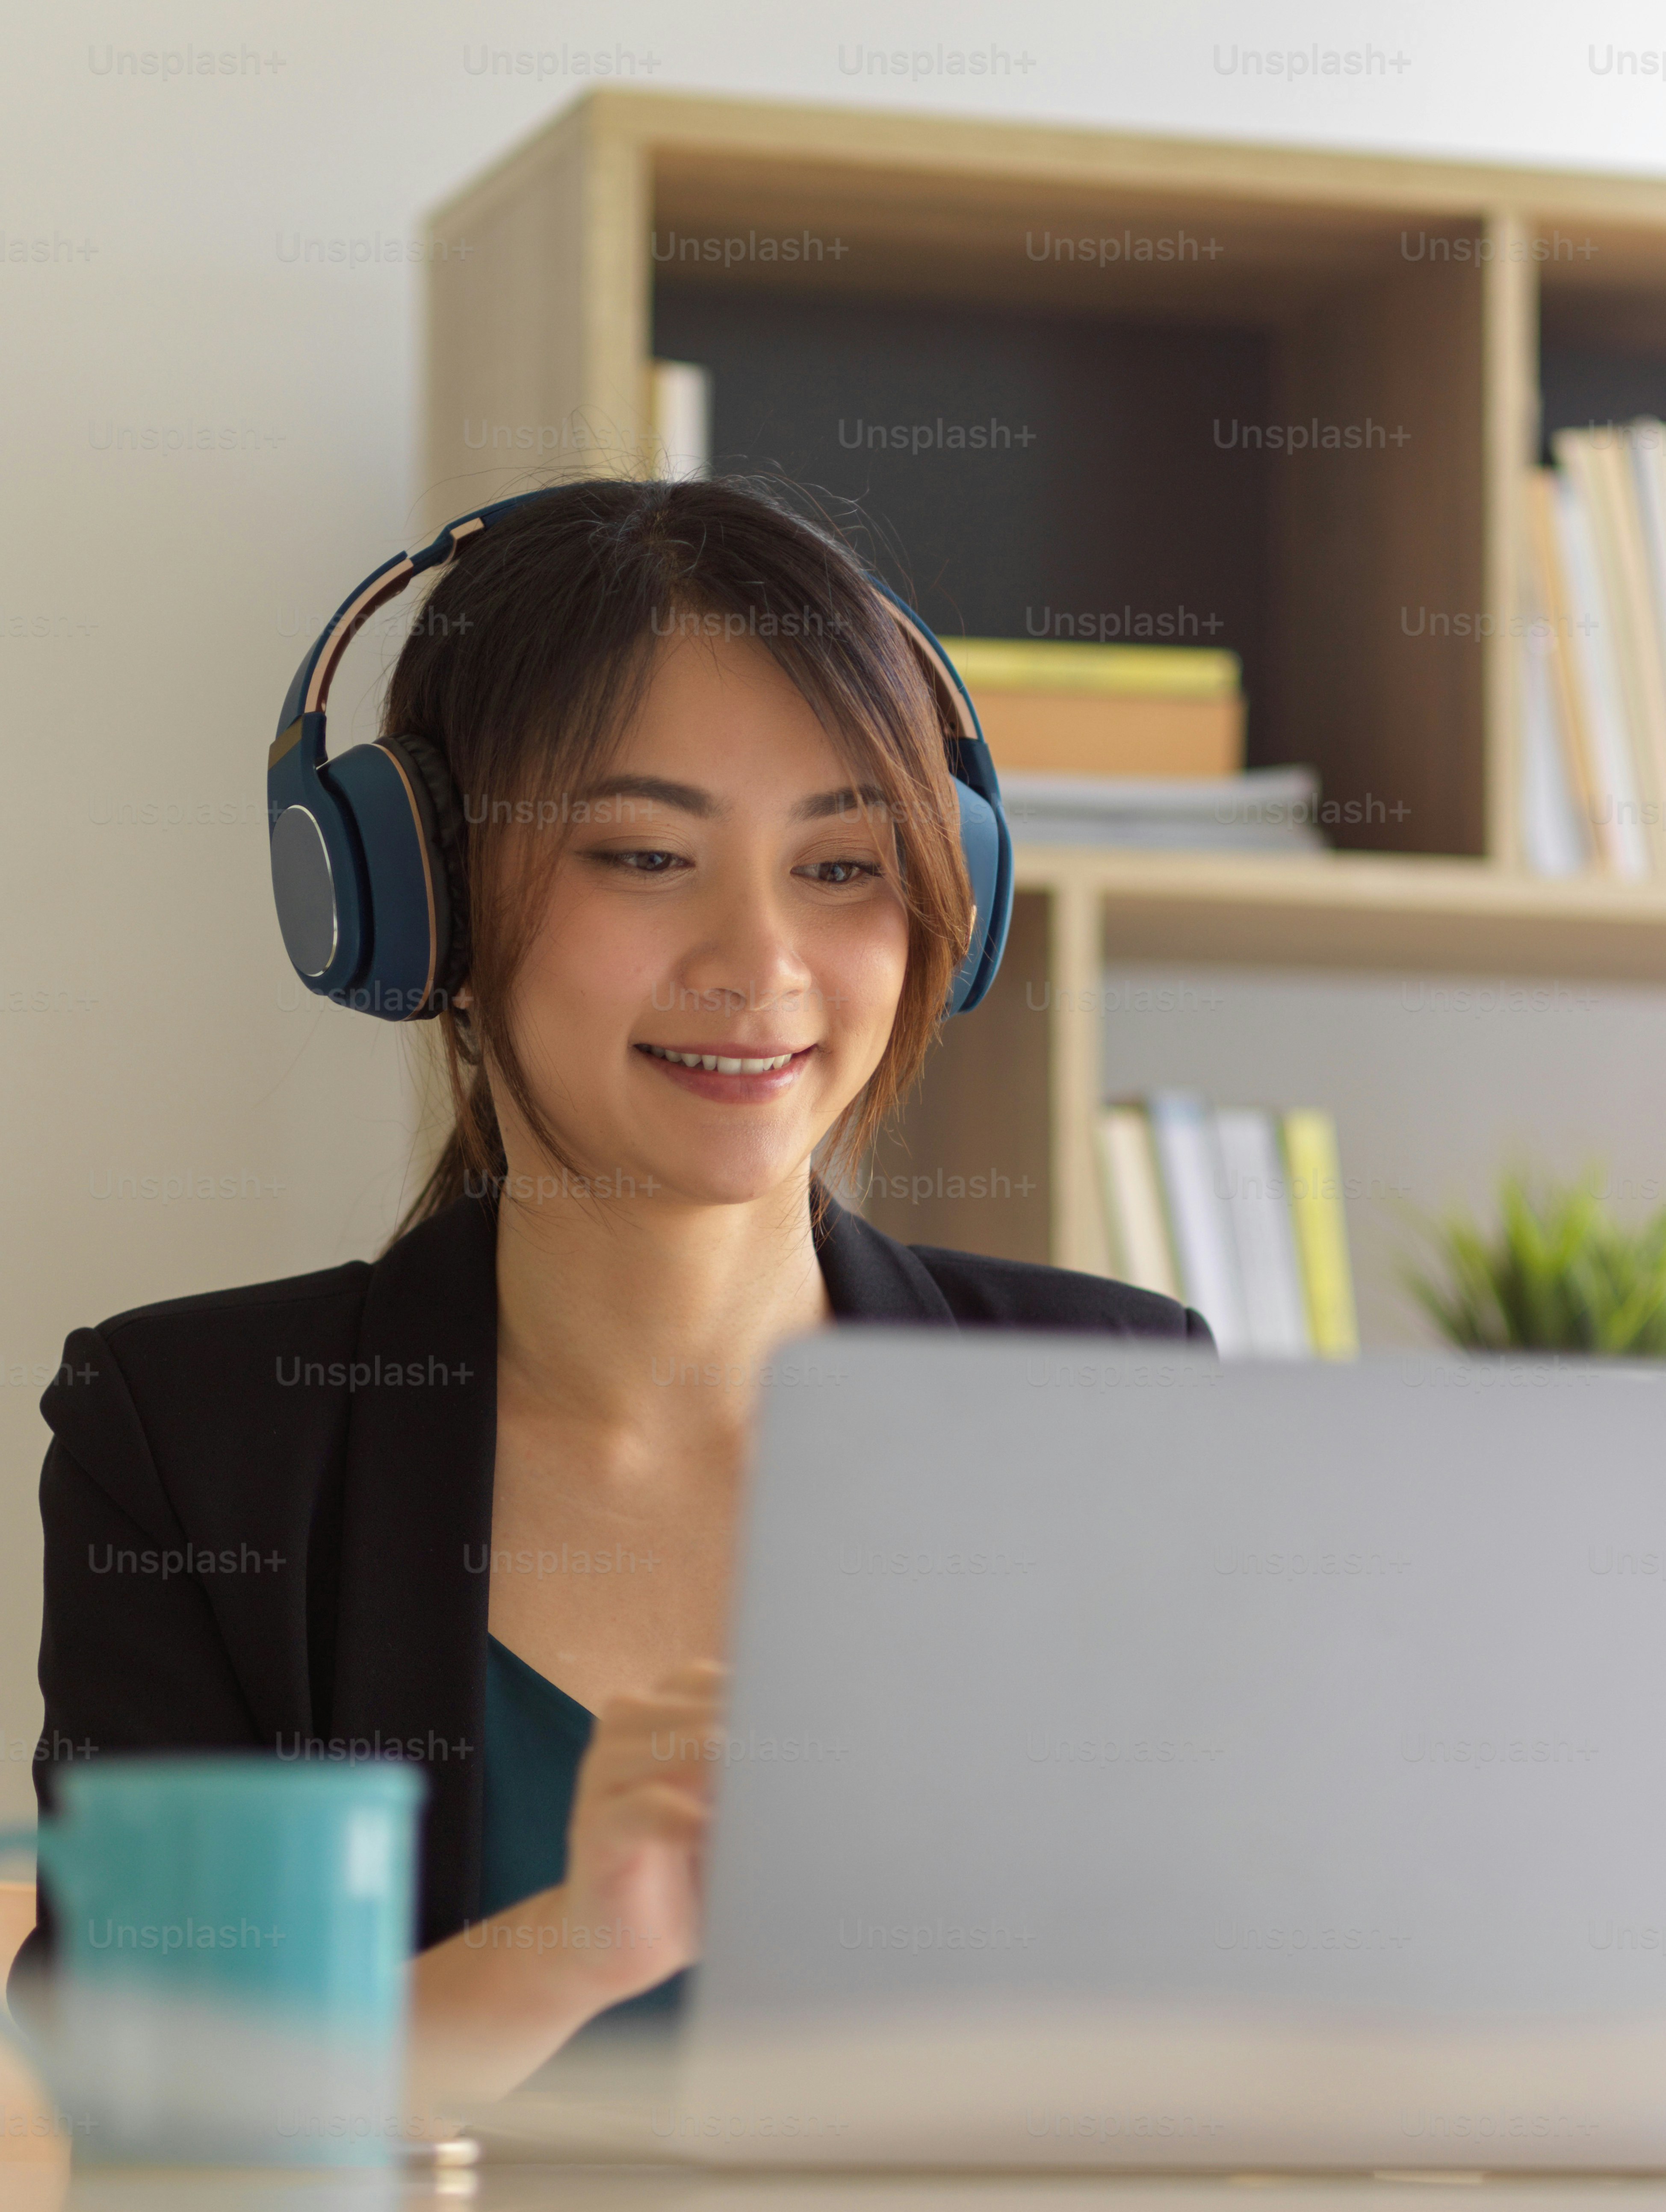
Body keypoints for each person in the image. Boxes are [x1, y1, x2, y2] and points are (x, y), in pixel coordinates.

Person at [14, 478, 1211, 2103]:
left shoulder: (1113, 1404)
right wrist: (573, 1943)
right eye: (646, 855)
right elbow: (132, 2097)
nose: (761, 961)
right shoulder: (198, 1440)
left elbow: (1228, 2059)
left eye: (846, 864)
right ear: (414, 896)